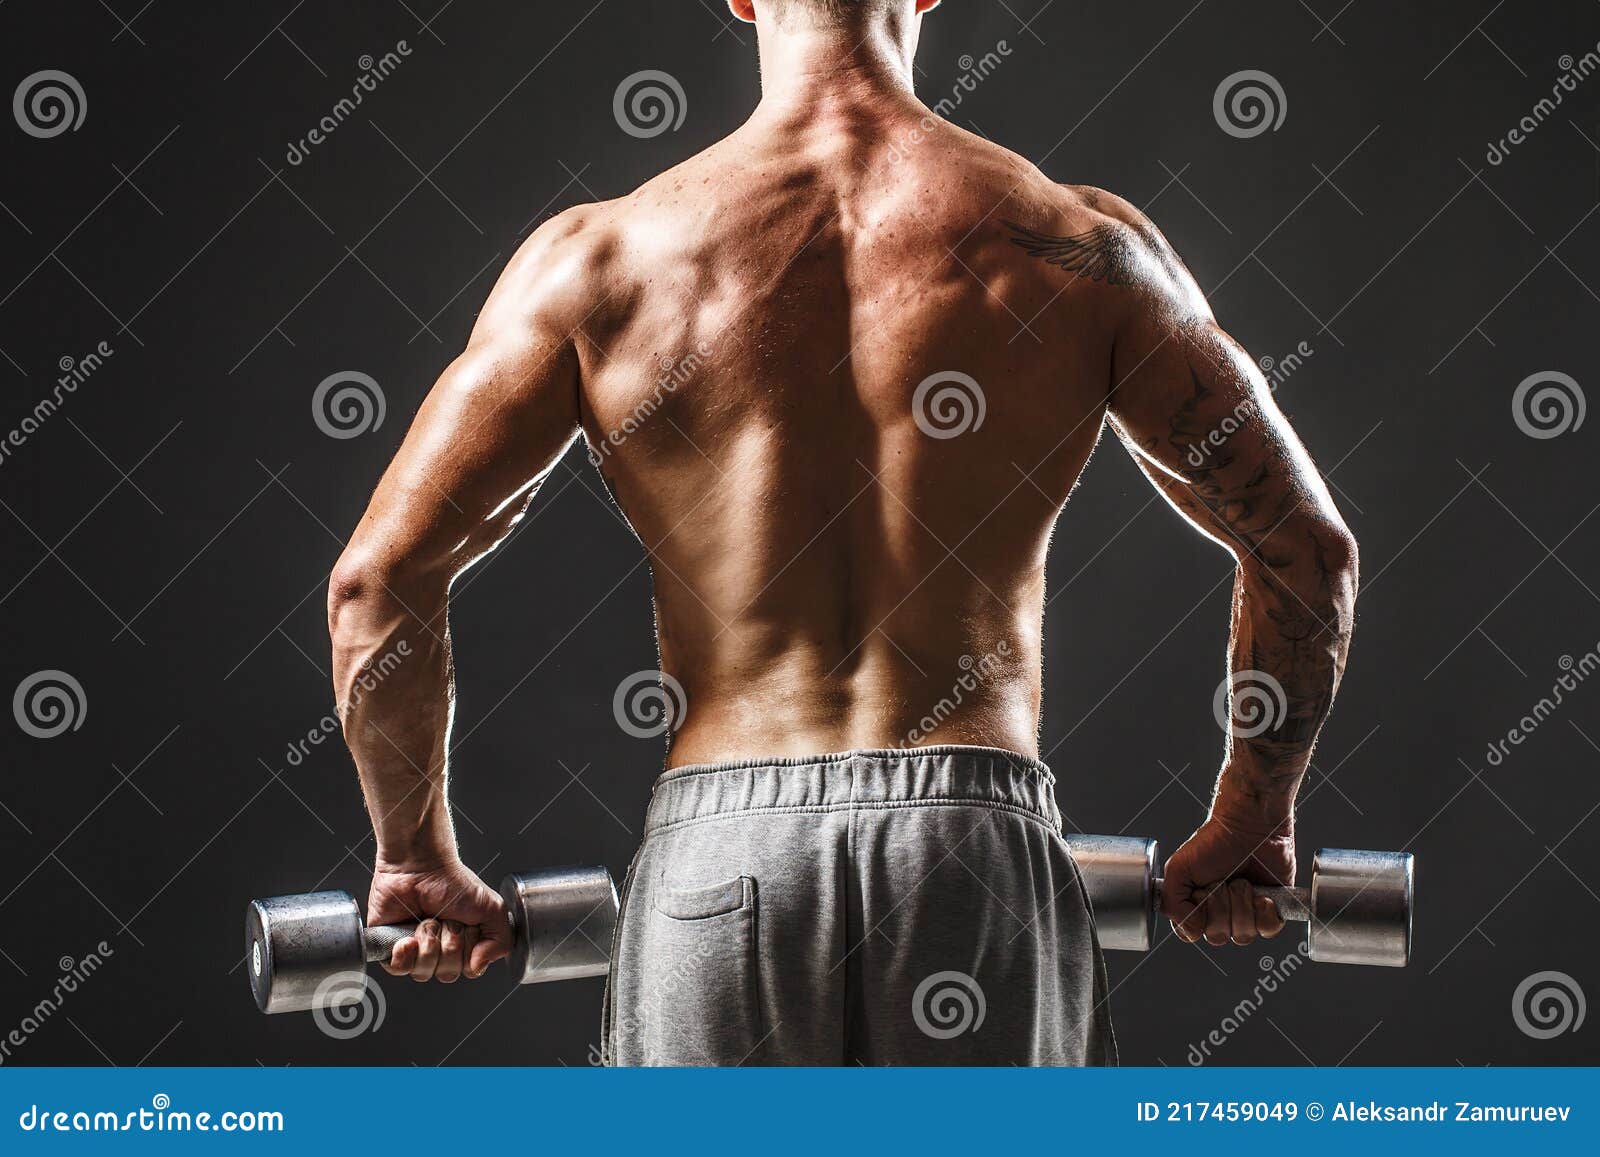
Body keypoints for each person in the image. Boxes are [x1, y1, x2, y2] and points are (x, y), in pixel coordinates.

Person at [326, 0, 1358, 1065]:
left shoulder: (601, 259)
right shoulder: (1082, 247)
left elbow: (378, 581)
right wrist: (1250, 819)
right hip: (973, 850)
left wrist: (417, 853)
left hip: (721, 861)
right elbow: (1307, 551)